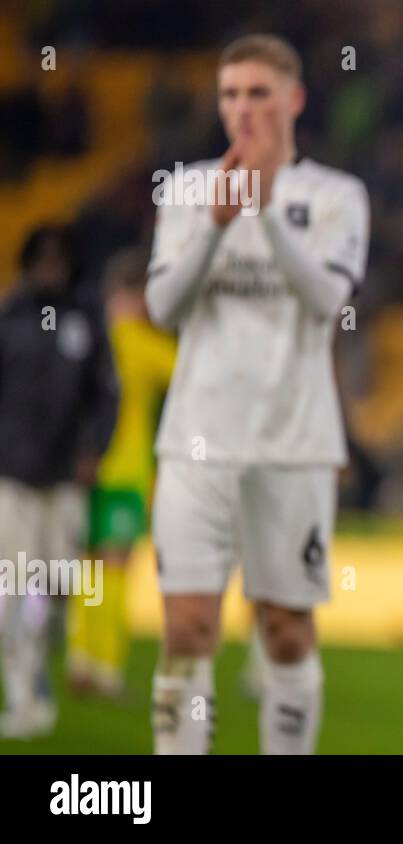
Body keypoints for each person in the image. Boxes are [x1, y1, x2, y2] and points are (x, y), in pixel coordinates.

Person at [145, 34, 370, 754]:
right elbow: (163, 308)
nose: (243, 108)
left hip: (294, 444)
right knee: (186, 630)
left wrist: (265, 210)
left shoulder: (336, 195)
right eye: (231, 94)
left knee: (284, 629)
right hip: (195, 443)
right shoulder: (185, 190)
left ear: (295, 98)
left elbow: (326, 300)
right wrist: (216, 222)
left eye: (259, 92)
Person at [0, 225, 118, 738]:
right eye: (41, 258)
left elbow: (106, 394)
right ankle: (24, 694)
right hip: (13, 476)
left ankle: (40, 662)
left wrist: (94, 447)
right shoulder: (11, 318)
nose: (50, 268)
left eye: (59, 258)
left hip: (66, 476)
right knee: (14, 586)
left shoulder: (85, 322)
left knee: (57, 586)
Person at [67, 248, 177, 700]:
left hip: (83, 469)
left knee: (87, 570)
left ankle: (81, 660)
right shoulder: (143, 343)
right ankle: (108, 669)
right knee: (114, 570)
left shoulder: (87, 339)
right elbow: (191, 377)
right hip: (127, 473)